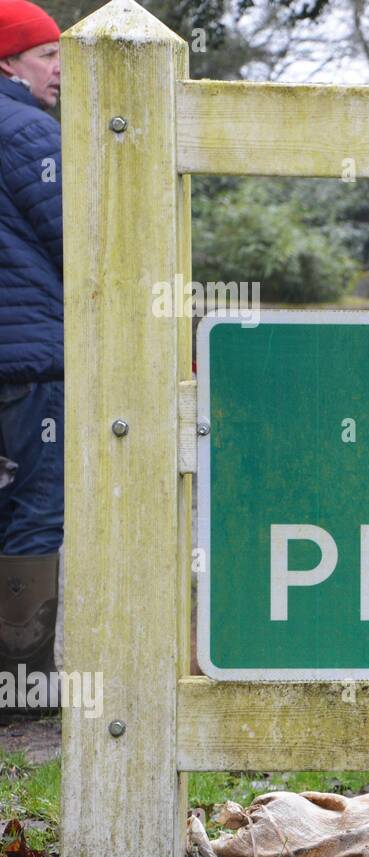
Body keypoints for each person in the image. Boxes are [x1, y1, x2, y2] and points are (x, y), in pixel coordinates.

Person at [0, 0, 63, 711]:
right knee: (35, 512)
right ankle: (21, 684)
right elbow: (74, 243)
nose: (57, 71)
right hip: (31, 364)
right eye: (46, 56)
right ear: (8, 61)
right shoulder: (28, 131)